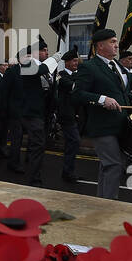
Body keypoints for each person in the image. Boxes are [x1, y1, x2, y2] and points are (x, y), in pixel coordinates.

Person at [73, 29, 132, 199]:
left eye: (116, 42)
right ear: (100, 46)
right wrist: (101, 99)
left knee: (107, 166)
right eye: (112, 42)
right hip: (102, 126)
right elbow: (77, 94)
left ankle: (102, 201)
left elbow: (119, 92)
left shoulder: (117, 66)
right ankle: (110, 205)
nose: (116, 45)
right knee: (114, 165)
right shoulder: (89, 67)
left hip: (121, 125)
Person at [6, 40, 53, 186]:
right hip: (18, 112)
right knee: (17, 139)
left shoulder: (38, 68)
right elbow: (6, 92)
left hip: (36, 112)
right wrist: (7, 111)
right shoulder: (14, 71)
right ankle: (15, 163)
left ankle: (30, 164)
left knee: (35, 142)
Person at [55, 48, 82, 183]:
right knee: (74, 141)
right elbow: (73, 86)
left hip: (78, 115)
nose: (76, 63)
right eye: (74, 61)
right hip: (66, 115)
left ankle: (69, 170)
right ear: (66, 62)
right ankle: (67, 171)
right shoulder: (60, 75)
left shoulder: (79, 75)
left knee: (73, 144)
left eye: (77, 60)